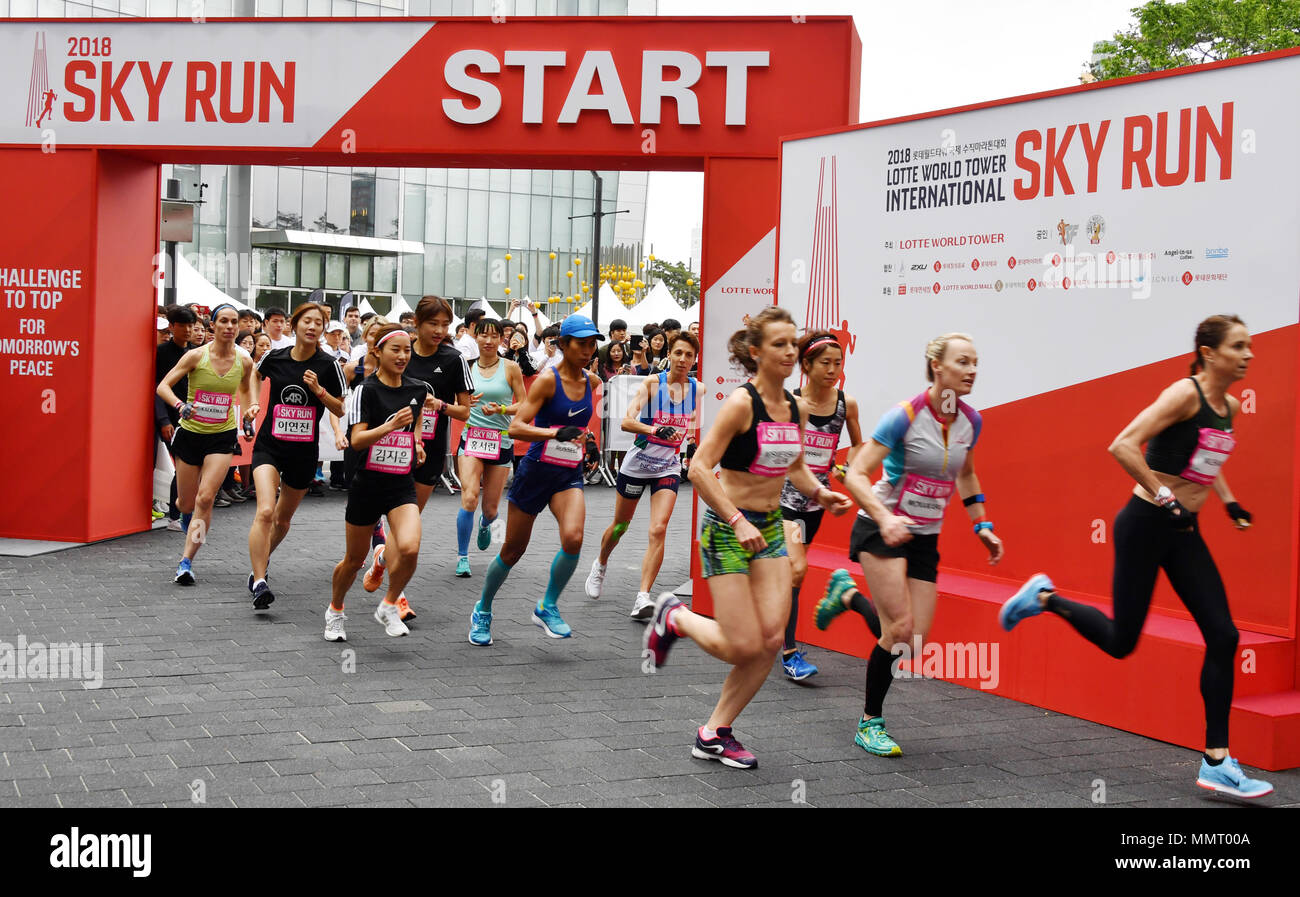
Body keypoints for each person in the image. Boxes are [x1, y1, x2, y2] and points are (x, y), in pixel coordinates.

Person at [999, 315, 1272, 798]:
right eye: (1239, 346)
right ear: (1209, 353)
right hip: (1146, 524)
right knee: (1122, 642)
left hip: (1184, 530)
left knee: (1224, 635)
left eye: (1250, 346)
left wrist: (1228, 502)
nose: (1249, 354)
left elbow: (1205, 460)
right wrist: (1164, 496)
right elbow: (1122, 445)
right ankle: (1046, 598)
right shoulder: (1184, 394)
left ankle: (1216, 760)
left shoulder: (1228, 405)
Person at [643, 307, 853, 769]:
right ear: (756, 352)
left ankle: (714, 732)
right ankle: (674, 616)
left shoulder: (796, 407)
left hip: (772, 528)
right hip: (726, 530)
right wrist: (737, 519)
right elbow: (698, 467)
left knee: (770, 639)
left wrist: (821, 493)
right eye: (778, 344)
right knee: (740, 645)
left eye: (792, 344)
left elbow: (794, 464)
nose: (788, 351)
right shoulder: (741, 404)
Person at [814, 332, 1002, 757]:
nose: (972, 370)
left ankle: (846, 596)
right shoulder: (904, 416)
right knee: (897, 629)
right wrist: (885, 517)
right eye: (963, 362)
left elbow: (967, 474)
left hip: (923, 538)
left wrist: (982, 524)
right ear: (937, 366)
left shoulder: (971, 421)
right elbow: (857, 473)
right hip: (879, 528)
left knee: (912, 642)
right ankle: (870, 722)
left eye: (976, 362)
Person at [467, 314, 604, 647]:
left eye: (591, 345)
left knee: (573, 538)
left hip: (567, 475)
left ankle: (547, 605)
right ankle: (483, 608)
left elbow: (580, 425)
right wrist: (555, 432)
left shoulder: (593, 382)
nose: (588, 351)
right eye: (581, 344)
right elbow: (516, 428)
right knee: (513, 551)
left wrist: (589, 443)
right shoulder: (547, 380)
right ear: (564, 345)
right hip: (535, 472)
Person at [326, 324, 430, 641]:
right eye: (394, 350)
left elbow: (416, 422)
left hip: (400, 483)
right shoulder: (365, 391)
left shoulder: (417, 389)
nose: (402, 356)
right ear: (377, 352)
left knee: (410, 548)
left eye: (407, 350)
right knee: (354, 560)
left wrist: (417, 442)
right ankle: (335, 610)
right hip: (366, 484)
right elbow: (357, 440)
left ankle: (387, 605)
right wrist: (391, 427)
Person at [586, 333, 701, 619]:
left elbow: (694, 426)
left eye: (689, 354)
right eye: (678, 353)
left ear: (695, 359)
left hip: (668, 467)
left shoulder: (699, 390)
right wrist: (654, 430)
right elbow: (626, 421)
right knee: (620, 526)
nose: (683, 359)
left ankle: (642, 597)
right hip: (638, 464)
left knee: (658, 529)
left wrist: (693, 448)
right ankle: (600, 563)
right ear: (669, 356)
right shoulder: (654, 383)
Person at [373, 296, 471, 618]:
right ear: (416, 322)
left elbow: (464, 411)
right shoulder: (400, 351)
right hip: (392, 448)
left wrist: (437, 404)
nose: (440, 330)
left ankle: (383, 558)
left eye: (445, 324)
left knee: (408, 525)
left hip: (427, 453)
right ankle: (397, 598)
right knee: (401, 526)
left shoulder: (454, 360)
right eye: (433, 324)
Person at [245, 302, 347, 610]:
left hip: (303, 454)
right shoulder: (275, 357)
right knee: (265, 511)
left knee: (283, 520)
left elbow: (340, 408)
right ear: (294, 324)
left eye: (319, 322)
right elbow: (254, 374)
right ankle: (260, 582)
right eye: (307, 321)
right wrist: (253, 403)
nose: (313, 327)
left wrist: (319, 390)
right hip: (269, 446)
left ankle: (258, 564)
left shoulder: (329, 365)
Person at [778, 331, 863, 681]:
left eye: (838, 364)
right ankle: (789, 653)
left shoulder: (846, 404)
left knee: (791, 579)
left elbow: (859, 444)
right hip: (783, 497)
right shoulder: (790, 402)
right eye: (825, 363)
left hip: (818, 501)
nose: (833, 370)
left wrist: (848, 468)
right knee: (797, 569)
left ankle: (777, 629)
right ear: (806, 366)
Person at [156, 303, 258, 585]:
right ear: (213, 326)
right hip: (190, 435)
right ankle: (187, 517)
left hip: (222, 436)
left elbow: (247, 390)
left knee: (205, 498)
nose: (229, 326)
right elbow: (162, 386)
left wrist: (249, 413)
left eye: (233, 322)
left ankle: (187, 560)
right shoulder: (195, 356)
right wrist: (179, 405)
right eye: (223, 321)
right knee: (186, 502)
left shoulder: (244, 359)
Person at [454, 318, 527, 577]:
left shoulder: (510, 368)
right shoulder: (466, 368)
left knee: (491, 509)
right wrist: (464, 402)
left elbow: (525, 404)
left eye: (493, 336)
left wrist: (503, 409)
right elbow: (456, 401)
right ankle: (463, 557)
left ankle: (486, 524)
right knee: (470, 496)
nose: (487, 340)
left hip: (500, 440)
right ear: (475, 337)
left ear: (500, 339)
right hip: (472, 439)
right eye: (483, 335)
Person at [155, 304, 199, 531]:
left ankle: (182, 512)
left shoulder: (195, 352)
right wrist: (163, 420)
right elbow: (158, 388)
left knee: (191, 466)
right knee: (182, 465)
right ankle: (174, 515)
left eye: (191, 325)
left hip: (193, 419)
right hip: (169, 418)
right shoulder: (161, 353)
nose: (188, 330)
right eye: (182, 325)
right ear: (172, 327)